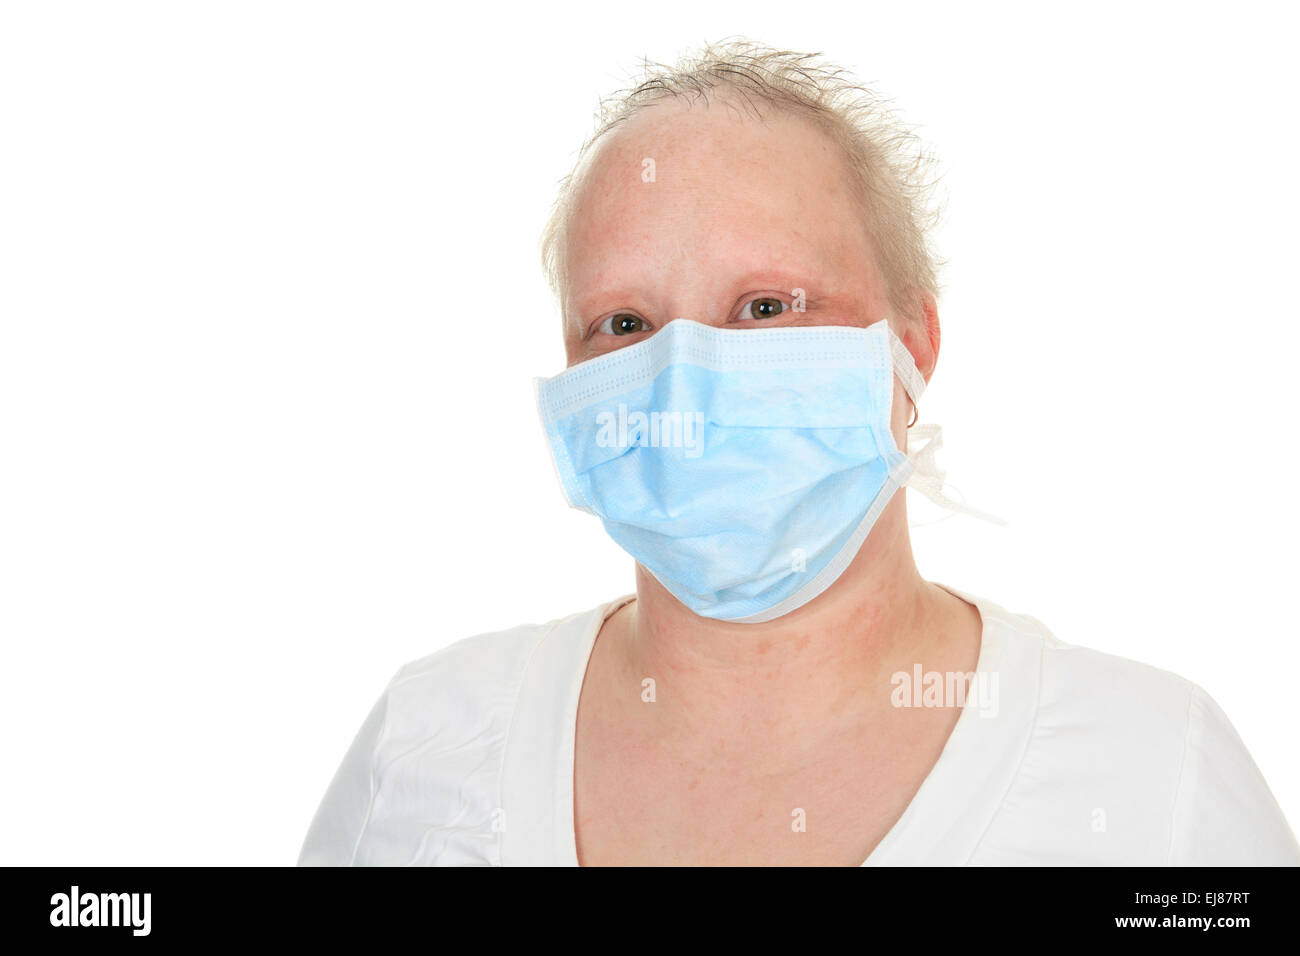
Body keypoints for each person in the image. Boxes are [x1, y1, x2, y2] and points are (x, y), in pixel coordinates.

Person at [296, 40, 1300, 866]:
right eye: (622, 322)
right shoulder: (427, 742)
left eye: (767, 306)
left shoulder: (1153, 775)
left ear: (909, 347)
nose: (684, 377)